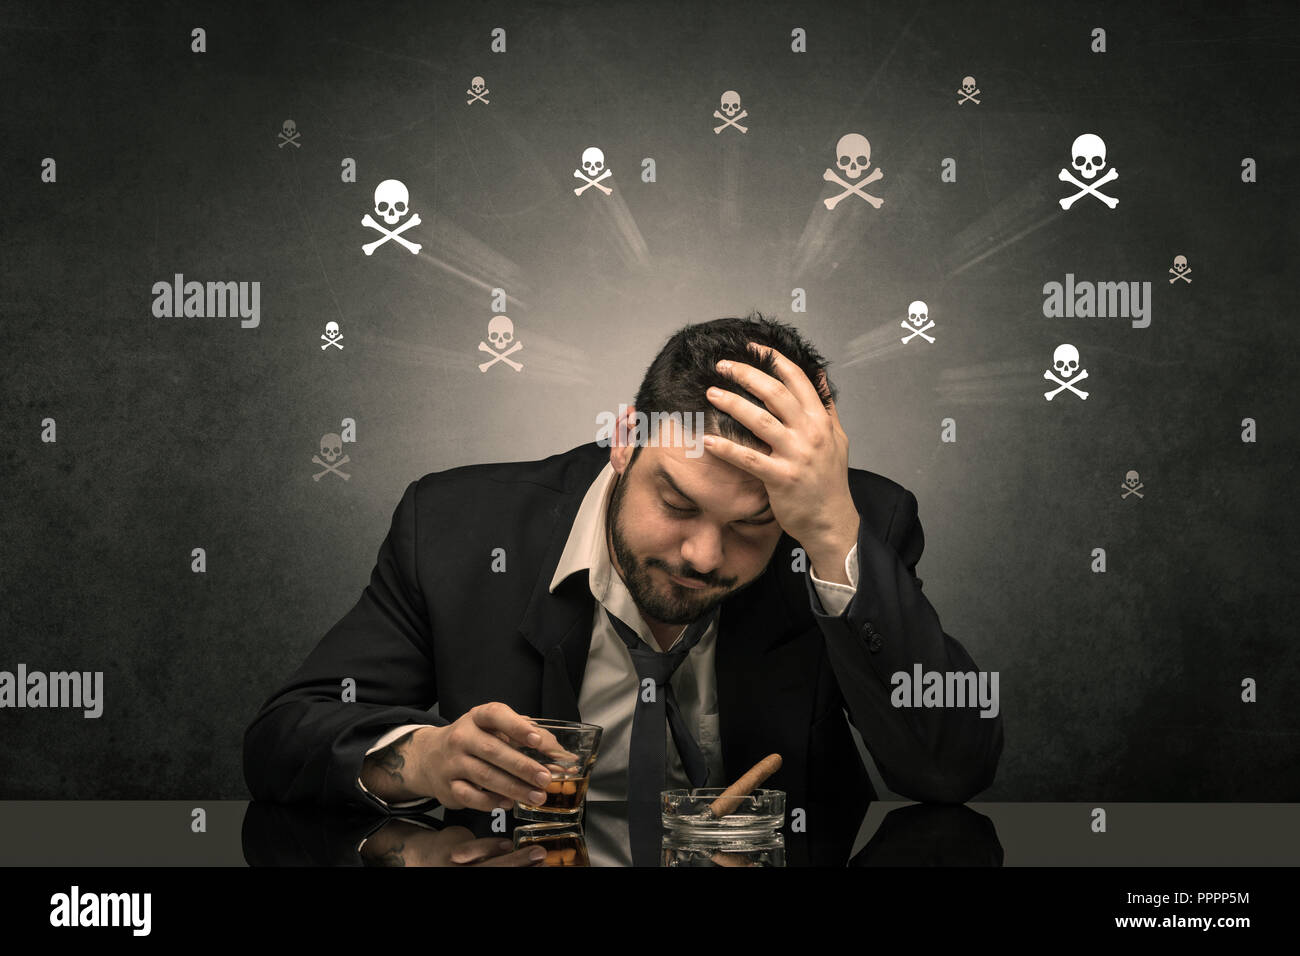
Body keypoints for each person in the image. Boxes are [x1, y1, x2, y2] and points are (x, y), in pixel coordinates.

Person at [243, 313, 1003, 838]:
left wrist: (835, 532)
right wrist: (421, 761)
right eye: (676, 501)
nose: (704, 555)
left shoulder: (850, 525)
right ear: (624, 440)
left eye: (752, 525)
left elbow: (950, 770)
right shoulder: (452, 527)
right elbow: (284, 737)